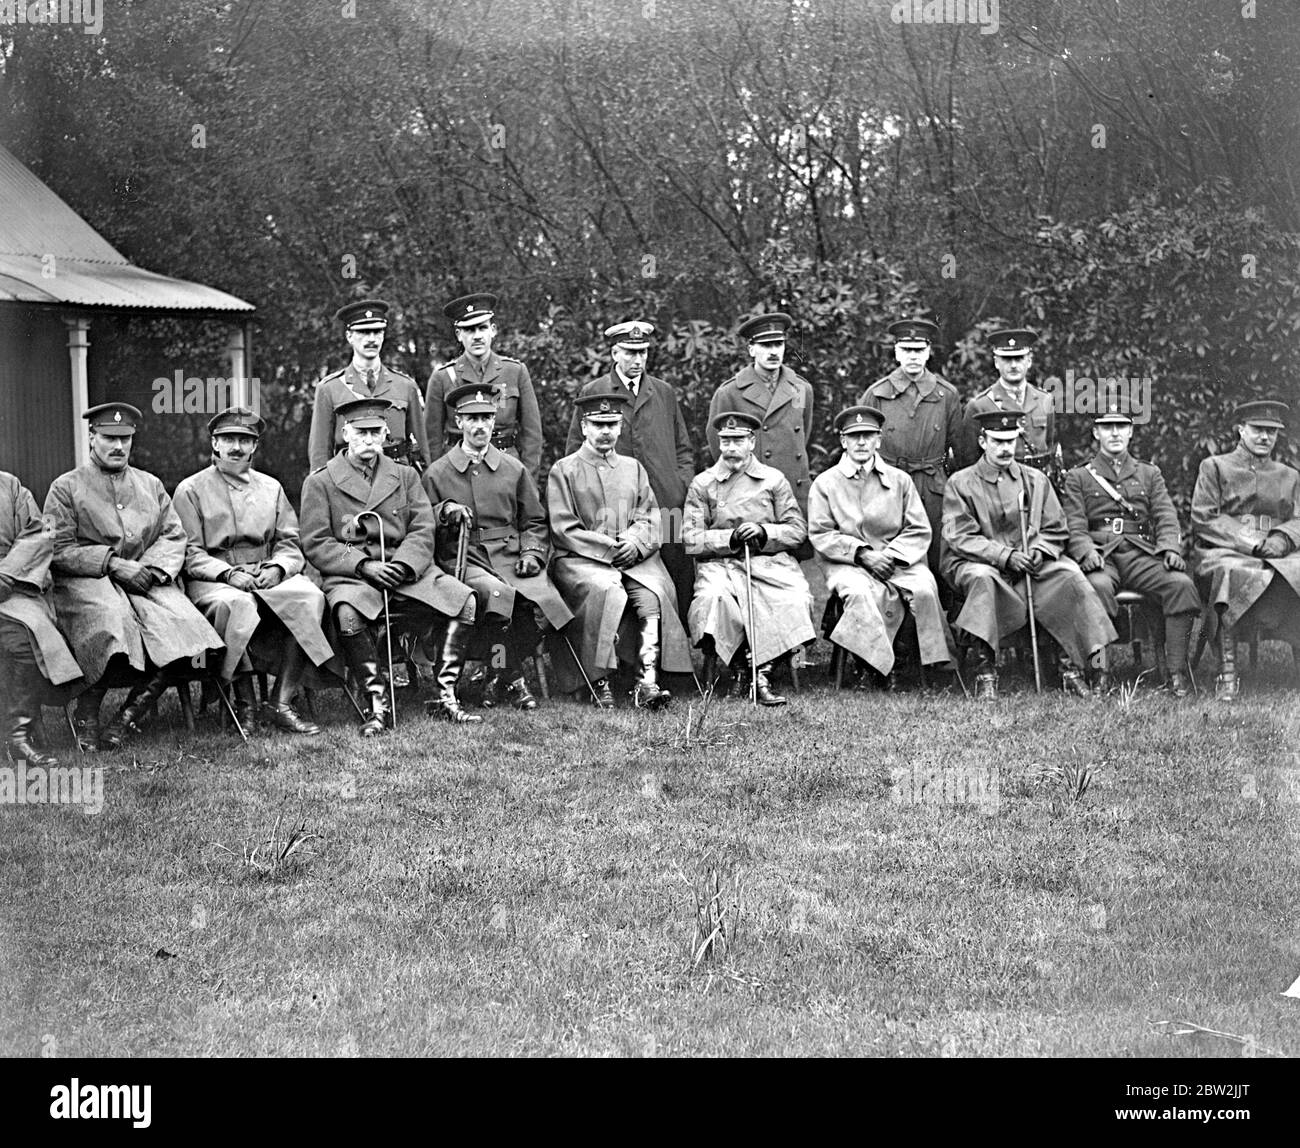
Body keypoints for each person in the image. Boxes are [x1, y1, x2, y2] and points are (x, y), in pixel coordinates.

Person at [44, 403, 223, 750]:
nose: (118, 446)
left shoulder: (150, 484)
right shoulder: (65, 487)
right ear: (92, 437)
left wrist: (150, 570)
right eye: (110, 438)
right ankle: (87, 715)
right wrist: (111, 563)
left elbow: (174, 536)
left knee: (187, 628)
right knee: (111, 622)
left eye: (125, 439)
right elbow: (56, 547)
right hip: (88, 584)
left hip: (146, 580)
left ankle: (125, 718)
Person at [299, 397, 477, 734]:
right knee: (349, 613)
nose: (368, 440)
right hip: (354, 575)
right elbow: (316, 541)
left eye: (375, 432)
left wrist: (406, 564)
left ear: (385, 434)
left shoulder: (406, 476)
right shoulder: (320, 482)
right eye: (360, 432)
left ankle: (445, 695)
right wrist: (364, 565)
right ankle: (376, 701)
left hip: (405, 571)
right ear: (345, 433)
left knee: (463, 599)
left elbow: (423, 527)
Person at [173, 406, 336, 734]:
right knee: (236, 606)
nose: (236, 447)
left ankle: (281, 701)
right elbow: (188, 552)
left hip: (265, 572)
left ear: (254, 446)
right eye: (228, 439)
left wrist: (278, 568)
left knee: (308, 597)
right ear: (215, 444)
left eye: (244, 440)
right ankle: (245, 703)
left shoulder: (271, 488)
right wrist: (226, 574)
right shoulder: (190, 490)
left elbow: (290, 542)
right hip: (213, 579)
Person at [941, 407, 1116, 700]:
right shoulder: (960, 483)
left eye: (1011, 441)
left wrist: (1040, 550)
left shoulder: (1035, 480)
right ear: (983, 442)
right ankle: (986, 671)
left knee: (1069, 574)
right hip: (979, 562)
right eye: (998, 441)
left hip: (1030, 563)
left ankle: (1081, 667)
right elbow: (960, 536)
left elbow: (1056, 527)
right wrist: (1004, 556)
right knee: (984, 579)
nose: (1005, 448)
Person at [422, 383, 573, 711]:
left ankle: (495, 673)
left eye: (487, 418)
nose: (480, 426)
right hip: (465, 558)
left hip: (510, 554)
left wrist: (532, 553)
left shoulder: (513, 468)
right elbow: (421, 524)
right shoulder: (438, 472)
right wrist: (444, 510)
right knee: (497, 596)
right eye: (472, 418)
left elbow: (534, 520)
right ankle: (513, 678)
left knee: (544, 603)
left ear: (495, 422)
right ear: (458, 423)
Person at [547, 390, 693, 709]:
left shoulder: (633, 468)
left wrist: (636, 544)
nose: (606, 432)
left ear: (620, 426)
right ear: (584, 427)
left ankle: (647, 680)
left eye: (612, 424)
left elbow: (651, 515)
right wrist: (609, 549)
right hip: (583, 560)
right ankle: (598, 680)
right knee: (605, 592)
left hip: (634, 557)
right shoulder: (564, 470)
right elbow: (563, 527)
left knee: (654, 592)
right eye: (598, 424)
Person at [808, 406, 955, 690]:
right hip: (847, 562)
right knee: (859, 592)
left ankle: (920, 664)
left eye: (868, 436)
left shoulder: (900, 480)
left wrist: (889, 556)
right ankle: (874, 666)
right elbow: (821, 533)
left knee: (924, 588)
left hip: (899, 560)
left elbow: (918, 528)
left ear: (879, 440)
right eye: (854, 436)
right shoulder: (825, 483)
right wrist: (862, 554)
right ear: (843, 441)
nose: (861, 443)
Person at [1062, 404, 1200, 697]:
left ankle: (1176, 672)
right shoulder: (1079, 477)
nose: (1115, 433)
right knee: (1093, 590)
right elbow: (1073, 523)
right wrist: (1085, 552)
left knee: (1181, 585)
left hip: (1139, 553)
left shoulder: (1149, 473)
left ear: (1131, 432)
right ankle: (1099, 670)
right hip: (1101, 555)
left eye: (1121, 427)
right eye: (1107, 427)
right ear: (1096, 432)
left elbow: (1166, 515)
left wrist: (1170, 547)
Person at [683, 410, 814, 705]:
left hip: (769, 563)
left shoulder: (773, 480)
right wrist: (727, 538)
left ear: (752, 442)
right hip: (720, 565)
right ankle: (740, 668)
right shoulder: (703, 484)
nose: (730, 448)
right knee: (713, 599)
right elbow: (690, 538)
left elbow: (797, 530)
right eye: (725, 441)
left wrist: (765, 532)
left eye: (738, 440)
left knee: (794, 597)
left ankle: (762, 672)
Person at [564, 321, 695, 615]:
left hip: (666, 502)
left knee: (676, 568)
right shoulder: (595, 391)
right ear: (614, 353)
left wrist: (680, 484)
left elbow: (684, 447)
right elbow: (575, 449)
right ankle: (627, 645)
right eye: (630, 352)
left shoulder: (663, 392)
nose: (638, 360)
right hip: (616, 505)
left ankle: (676, 648)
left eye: (643, 353)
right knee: (625, 569)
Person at [1191, 399, 1300, 702]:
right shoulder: (1214, 467)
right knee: (1231, 574)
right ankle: (1228, 674)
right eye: (1258, 430)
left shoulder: (1289, 475)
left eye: (1272, 431)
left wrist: (1281, 539)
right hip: (1224, 550)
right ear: (1241, 429)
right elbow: (1204, 517)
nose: (1265, 437)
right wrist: (1251, 542)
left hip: (1278, 551)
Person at [859, 318, 963, 570]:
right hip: (888, 483)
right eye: (906, 349)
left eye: (918, 350)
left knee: (937, 550)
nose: (913, 356)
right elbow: (861, 444)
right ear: (896, 351)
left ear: (928, 352)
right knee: (888, 549)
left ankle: (940, 607)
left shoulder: (946, 395)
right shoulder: (877, 394)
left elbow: (959, 448)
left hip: (932, 485)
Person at [0, 470, 83, 766]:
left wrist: (7, 574)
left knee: (27, 636)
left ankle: (18, 734)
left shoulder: (10, 486)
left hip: (12, 587)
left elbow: (44, 531)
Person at [707, 312, 815, 515]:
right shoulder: (730, 393)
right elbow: (718, 447)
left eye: (778, 344)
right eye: (766, 345)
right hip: (752, 494)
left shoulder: (800, 388)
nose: (773, 352)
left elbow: (802, 434)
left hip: (795, 491)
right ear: (751, 349)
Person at [424, 292, 542, 478]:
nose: (477, 336)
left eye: (482, 328)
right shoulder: (442, 378)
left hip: (506, 467)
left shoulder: (514, 371)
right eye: (470, 330)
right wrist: (440, 478)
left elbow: (532, 434)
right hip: (458, 469)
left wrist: (527, 478)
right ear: (458, 335)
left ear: (493, 330)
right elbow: (431, 439)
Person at [307, 299, 430, 471]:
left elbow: (422, 448)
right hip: (349, 480)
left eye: (377, 332)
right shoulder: (330, 388)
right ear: (349, 336)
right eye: (363, 332)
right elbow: (319, 454)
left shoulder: (405, 386)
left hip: (396, 477)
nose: (371, 339)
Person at [959, 328, 1056, 473]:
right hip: (999, 483)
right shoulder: (980, 405)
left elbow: (1049, 443)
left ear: (1029, 361)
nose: (1013, 365)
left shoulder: (1044, 399)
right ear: (996, 362)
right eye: (1006, 359)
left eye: (1019, 358)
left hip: (1038, 482)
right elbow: (968, 460)